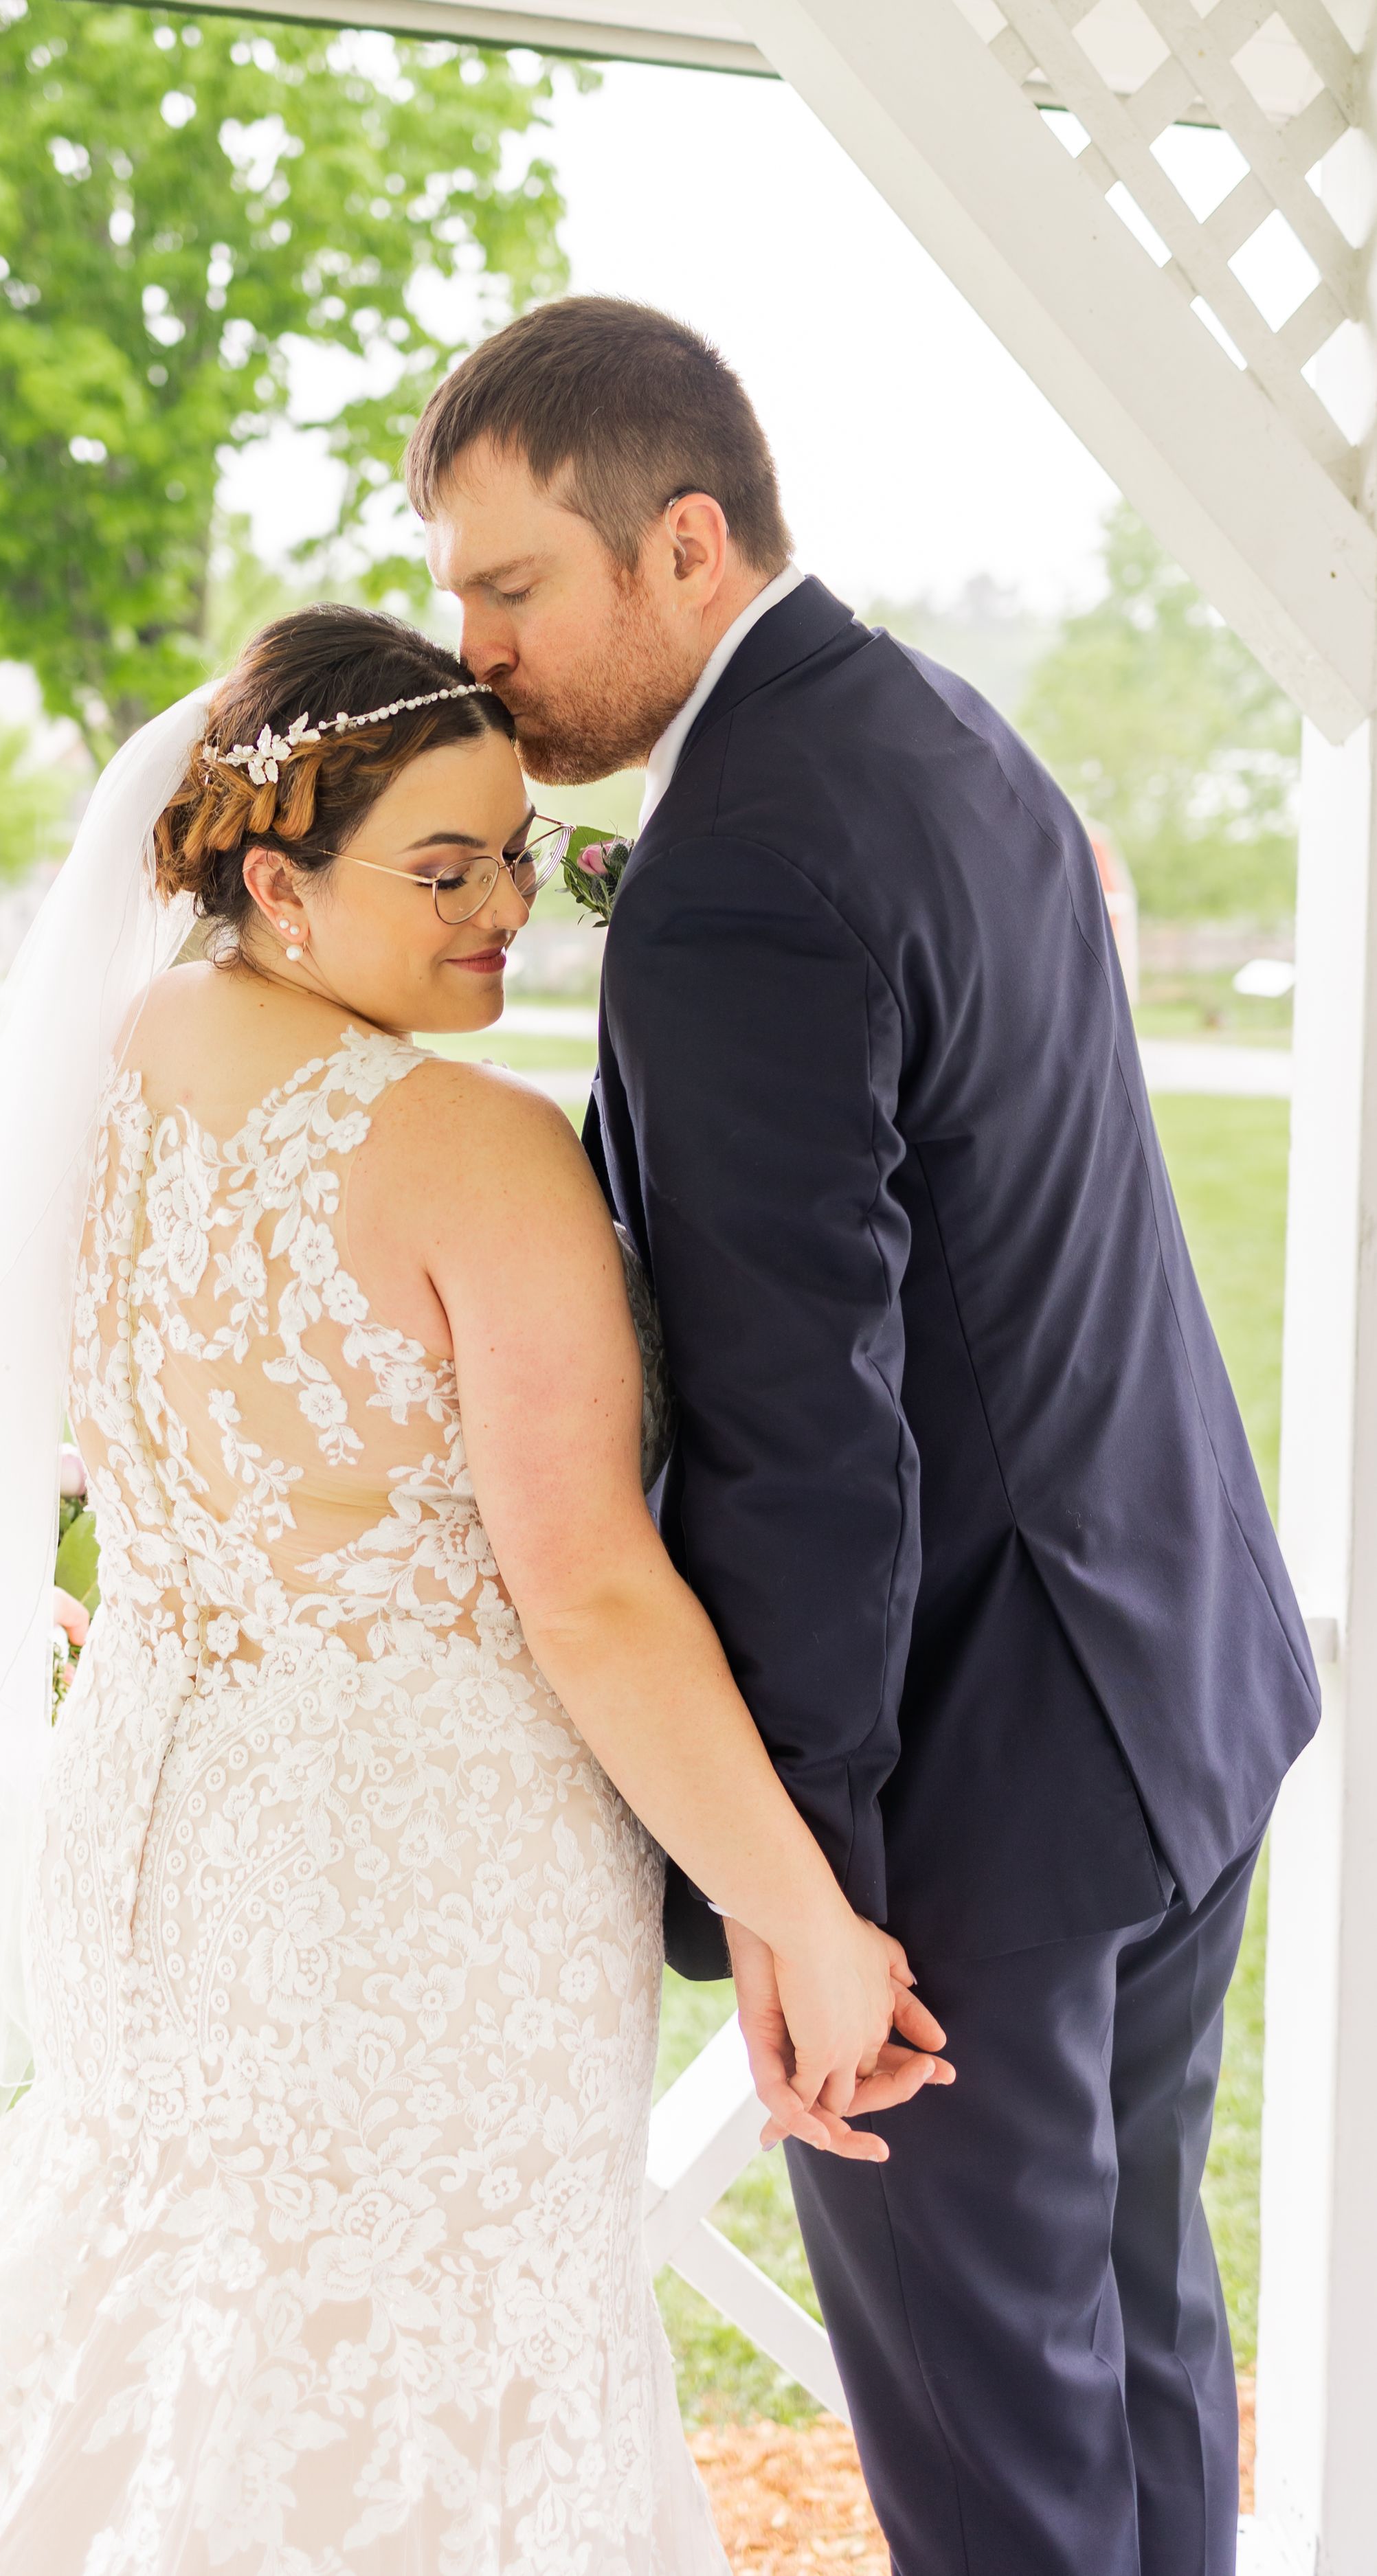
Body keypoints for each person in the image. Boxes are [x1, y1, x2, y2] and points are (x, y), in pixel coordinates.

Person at [0, 605, 948, 2575]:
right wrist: (807, 1921)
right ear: (273, 880)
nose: (505, 906)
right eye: (442, 869)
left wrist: (72, 1597)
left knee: (159, 2296)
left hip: (146, 1830)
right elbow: (588, 1593)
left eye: (518, 851)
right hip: (421, 1886)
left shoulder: (78, 1090)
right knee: (426, 2353)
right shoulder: (476, 1153)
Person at [406, 295, 1321, 2576]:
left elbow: (802, 1441)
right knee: (1122, 2364)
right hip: (1171, 1698)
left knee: (1002, 2470)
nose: (476, 651)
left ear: (683, 543)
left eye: (510, 588)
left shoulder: (727, 881)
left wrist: (799, 1893)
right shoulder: (934, 724)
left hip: (972, 1800)